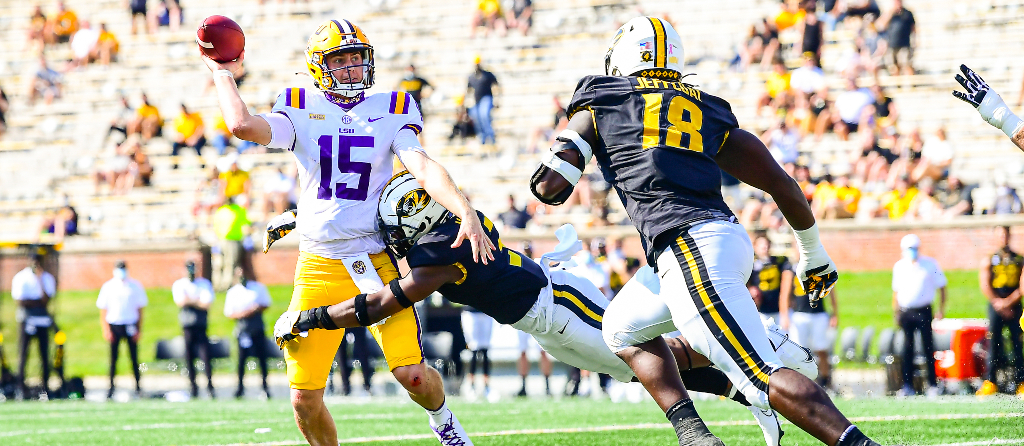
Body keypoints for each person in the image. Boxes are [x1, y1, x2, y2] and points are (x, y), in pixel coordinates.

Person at [529, 17, 882, 446]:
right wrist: (813, 255)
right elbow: (781, 184)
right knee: (621, 328)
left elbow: (549, 188)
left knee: (758, 376)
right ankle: (694, 433)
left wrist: (561, 153)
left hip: (688, 246)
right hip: (717, 239)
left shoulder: (602, 99)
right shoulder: (701, 106)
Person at [272, 173, 824, 446]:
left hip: (556, 304)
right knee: (634, 368)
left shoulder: (439, 258)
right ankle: (748, 388)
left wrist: (313, 318)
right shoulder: (441, 231)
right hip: (542, 314)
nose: (390, 233)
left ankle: (758, 356)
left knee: (641, 356)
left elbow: (379, 304)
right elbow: (361, 215)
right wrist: (299, 221)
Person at [203, 18, 493, 446]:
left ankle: (443, 418)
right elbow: (243, 126)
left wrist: (464, 209)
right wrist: (222, 73)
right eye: (342, 59)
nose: (353, 67)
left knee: (412, 375)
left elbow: (422, 166)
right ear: (320, 65)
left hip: (371, 258)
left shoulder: (391, 106)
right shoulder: (299, 103)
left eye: (358, 57)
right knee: (303, 398)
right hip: (318, 264)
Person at [891, 234, 946, 398]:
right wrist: (896, 312)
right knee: (906, 349)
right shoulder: (899, 266)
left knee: (928, 347)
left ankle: (932, 384)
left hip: (924, 310)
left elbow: (942, 286)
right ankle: (907, 385)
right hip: (906, 311)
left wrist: (941, 308)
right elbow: (896, 292)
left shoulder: (929, 264)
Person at [977, 227, 1024, 397]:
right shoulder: (990, 259)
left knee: (1018, 343)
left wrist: (1008, 302)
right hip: (996, 303)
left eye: (1005, 234)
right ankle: (990, 381)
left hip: (1014, 304)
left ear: (1009, 236)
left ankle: (1021, 382)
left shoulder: (1018, 259)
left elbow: (1022, 285)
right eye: (1000, 235)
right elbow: (985, 283)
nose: (1003, 238)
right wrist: (998, 302)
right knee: (994, 342)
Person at [787, 250, 839, 389]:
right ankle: (801, 382)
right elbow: (785, 294)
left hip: (819, 313)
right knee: (798, 351)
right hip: (799, 314)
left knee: (821, 349)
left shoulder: (821, 269)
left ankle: (825, 381)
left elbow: (832, 292)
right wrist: (785, 315)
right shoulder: (792, 269)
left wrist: (835, 314)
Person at [96, 261, 147, 399]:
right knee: (113, 359)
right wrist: (106, 329)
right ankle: (111, 387)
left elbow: (140, 309)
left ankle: (138, 387)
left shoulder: (135, 286)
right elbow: (103, 310)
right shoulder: (108, 286)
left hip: (130, 324)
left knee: (134, 358)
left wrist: (139, 328)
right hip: (115, 324)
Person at [11, 254, 55, 399]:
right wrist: (37, 303)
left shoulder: (46, 278)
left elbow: (45, 299)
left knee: (44, 355)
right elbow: (21, 301)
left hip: (42, 321)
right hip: (27, 320)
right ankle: (20, 388)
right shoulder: (21, 277)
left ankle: (45, 388)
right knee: (23, 355)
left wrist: (39, 280)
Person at [224, 267, 272, 399]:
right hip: (242, 330)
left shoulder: (258, 288)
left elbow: (266, 303)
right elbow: (229, 313)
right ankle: (239, 388)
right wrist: (246, 313)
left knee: (262, 360)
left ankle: (265, 388)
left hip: (257, 329)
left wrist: (255, 309)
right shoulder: (233, 292)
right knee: (241, 361)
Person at [171, 260, 215, 398]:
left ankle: (209, 386)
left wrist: (191, 300)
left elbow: (206, 304)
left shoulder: (204, 284)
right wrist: (197, 301)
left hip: (201, 325)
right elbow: (181, 302)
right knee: (189, 358)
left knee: (205, 357)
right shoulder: (179, 284)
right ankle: (193, 387)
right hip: (187, 326)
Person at [747, 233, 794, 326]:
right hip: (761, 308)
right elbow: (746, 282)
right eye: (761, 245)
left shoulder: (779, 261)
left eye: (766, 244)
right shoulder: (751, 265)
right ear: (755, 247)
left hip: (778, 306)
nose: (765, 247)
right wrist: (751, 290)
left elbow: (787, 281)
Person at [212, 197, 250, 291]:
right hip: (231, 240)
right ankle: (224, 285)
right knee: (227, 264)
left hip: (222, 240)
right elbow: (247, 223)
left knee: (221, 264)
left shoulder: (221, 211)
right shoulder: (238, 210)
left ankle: (220, 285)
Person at [461, 303, 493, 399]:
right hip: (470, 312)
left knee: (485, 351)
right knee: (473, 350)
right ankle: (471, 385)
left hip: (486, 312)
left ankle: (486, 386)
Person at [876, 0, 915, 76]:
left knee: (905, 65)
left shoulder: (907, 13)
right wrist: (890, 14)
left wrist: (915, 41)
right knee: (893, 68)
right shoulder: (888, 13)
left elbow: (914, 28)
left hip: (904, 44)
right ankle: (897, 86)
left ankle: (910, 85)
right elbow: (880, 26)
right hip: (891, 45)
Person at [467, 57, 500, 146]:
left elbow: (496, 86)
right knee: (477, 119)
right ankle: (482, 138)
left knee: (484, 115)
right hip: (476, 100)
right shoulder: (471, 77)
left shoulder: (488, 75)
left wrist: (497, 99)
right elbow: (468, 90)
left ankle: (491, 137)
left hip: (487, 98)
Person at [171, 104, 207, 169]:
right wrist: (181, 138)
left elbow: (200, 129)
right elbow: (177, 132)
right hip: (185, 140)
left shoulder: (195, 116)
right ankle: (175, 164)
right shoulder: (179, 119)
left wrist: (194, 138)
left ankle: (202, 164)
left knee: (198, 147)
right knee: (174, 146)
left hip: (196, 139)